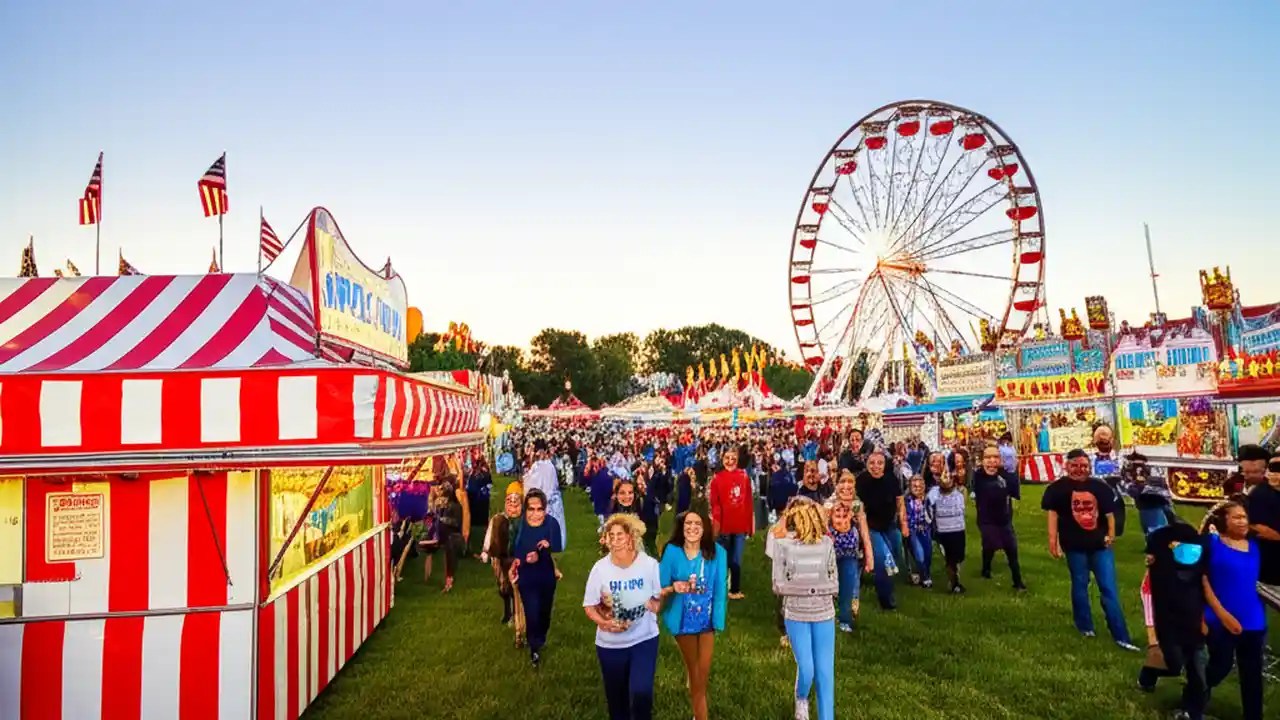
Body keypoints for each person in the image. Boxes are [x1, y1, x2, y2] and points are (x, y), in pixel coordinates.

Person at [1042, 448, 1138, 651]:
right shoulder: (1056, 489)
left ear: (1090, 466)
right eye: (1074, 465)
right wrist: (1053, 541)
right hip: (1074, 547)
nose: (1079, 470)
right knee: (1080, 585)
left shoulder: (1099, 487)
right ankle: (1085, 627)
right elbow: (1053, 516)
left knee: (1109, 588)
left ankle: (1121, 635)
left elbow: (1110, 513)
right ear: (1066, 466)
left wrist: (1111, 534)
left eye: (1084, 466)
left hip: (1100, 546)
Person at [583, 513, 663, 720]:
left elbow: (658, 601)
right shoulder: (600, 569)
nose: (616, 540)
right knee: (616, 701)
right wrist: (605, 623)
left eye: (621, 535)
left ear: (630, 537)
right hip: (610, 645)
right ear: (606, 540)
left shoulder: (649, 565)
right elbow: (589, 606)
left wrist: (650, 604)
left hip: (643, 639)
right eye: (612, 536)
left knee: (641, 693)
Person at [770, 498, 838, 720]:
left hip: (825, 614)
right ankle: (801, 698)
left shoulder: (827, 545)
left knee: (825, 673)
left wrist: (801, 585)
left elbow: (833, 584)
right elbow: (779, 585)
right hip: (796, 615)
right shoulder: (782, 546)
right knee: (807, 668)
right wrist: (813, 587)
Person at [1136, 516, 1208, 720]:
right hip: (1167, 626)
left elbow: (1205, 593)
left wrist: (1203, 620)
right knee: (1174, 664)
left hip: (1193, 626)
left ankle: (1191, 712)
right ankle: (1149, 674)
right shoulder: (1158, 575)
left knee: (1197, 672)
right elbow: (1149, 598)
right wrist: (1152, 636)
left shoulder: (1198, 570)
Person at [659, 511, 727, 720]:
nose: (692, 527)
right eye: (688, 523)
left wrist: (717, 621)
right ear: (682, 527)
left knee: (702, 673)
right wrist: (673, 588)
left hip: (706, 623)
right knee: (697, 676)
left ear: (705, 527)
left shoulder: (718, 553)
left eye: (698, 523)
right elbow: (660, 586)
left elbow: (720, 590)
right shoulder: (672, 551)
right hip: (682, 622)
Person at [1202, 500, 1267, 720]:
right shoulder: (1212, 544)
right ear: (1223, 521)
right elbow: (1202, 580)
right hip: (1219, 618)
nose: (1243, 522)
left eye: (1244, 517)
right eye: (1236, 517)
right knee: (1220, 666)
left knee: (1252, 674)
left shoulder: (1254, 547)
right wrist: (1222, 614)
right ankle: (1194, 698)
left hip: (1253, 619)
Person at [510, 489, 564, 667]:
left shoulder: (551, 524)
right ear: (525, 510)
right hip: (527, 575)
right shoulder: (520, 525)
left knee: (544, 613)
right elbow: (514, 550)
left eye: (539, 509)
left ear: (545, 509)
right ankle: (534, 648)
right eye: (531, 509)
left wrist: (545, 549)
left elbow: (557, 548)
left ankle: (540, 637)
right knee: (532, 612)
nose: (535, 514)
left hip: (546, 575)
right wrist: (518, 561)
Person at [856, 450, 907, 610]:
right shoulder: (862, 480)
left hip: (890, 525)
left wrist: (903, 523)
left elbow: (900, 501)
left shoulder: (891, 479)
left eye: (879, 463)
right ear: (867, 464)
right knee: (884, 560)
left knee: (896, 554)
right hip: (872, 527)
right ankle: (886, 600)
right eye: (872, 463)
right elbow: (859, 508)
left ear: (885, 465)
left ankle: (880, 578)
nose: (875, 466)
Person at [972, 443, 1026, 591]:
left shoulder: (1006, 476)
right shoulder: (977, 476)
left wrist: (1014, 473)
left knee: (1011, 548)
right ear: (982, 460)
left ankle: (1018, 581)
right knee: (989, 545)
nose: (992, 461)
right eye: (988, 457)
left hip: (1004, 519)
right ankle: (986, 568)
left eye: (995, 457)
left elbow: (1015, 493)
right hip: (986, 520)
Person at [481, 481, 526, 645]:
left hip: (517, 560)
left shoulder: (524, 521)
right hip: (502, 559)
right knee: (503, 587)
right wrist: (486, 551)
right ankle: (508, 612)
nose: (513, 506)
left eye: (516, 502)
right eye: (510, 501)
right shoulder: (499, 519)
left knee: (518, 591)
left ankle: (518, 619)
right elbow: (490, 535)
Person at [709, 445, 754, 600]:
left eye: (733, 458)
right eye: (727, 458)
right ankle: (720, 587)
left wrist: (750, 525)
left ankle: (735, 589)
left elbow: (748, 502)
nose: (730, 461)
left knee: (736, 560)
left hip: (740, 526)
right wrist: (716, 524)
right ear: (722, 459)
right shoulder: (717, 479)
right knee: (722, 560)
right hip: (724, 527)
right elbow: (714, 504)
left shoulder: (744, 476)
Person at [829, 490, 873, 632]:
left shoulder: (856, 513)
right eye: (838, 515)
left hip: (850, 556)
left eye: (845, 515)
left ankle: (845, 620)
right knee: (830, 588)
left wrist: (868, 557)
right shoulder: (828, 515)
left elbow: (865, 537)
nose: (842, 518)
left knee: (848, 587)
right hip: (830, 557)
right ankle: (829, 616)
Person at [927, 466, 967, 594]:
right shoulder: (934, 492)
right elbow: (928, 507)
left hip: (959, 530)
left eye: (949, 477)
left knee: (959, 557)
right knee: (950, 560)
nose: (947, 480)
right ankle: (955, 584)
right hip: (943, 531)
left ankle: (956, 578)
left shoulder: (960, 492)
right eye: (944, 477)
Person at [525, 439, 568, 549]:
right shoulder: (544, 465)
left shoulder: (543, 466)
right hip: (548, 501)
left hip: (547, 502)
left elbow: (531, 484)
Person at [903, 475, 933, 588]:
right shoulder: (906, 500)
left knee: (928, 554)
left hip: (925, 529)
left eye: (920, 486)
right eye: (914, 485)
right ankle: (925, 577)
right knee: (919, 554)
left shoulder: (927, 499)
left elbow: (931, 515)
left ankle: (926, 572)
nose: (918, 488)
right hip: (913, 530)